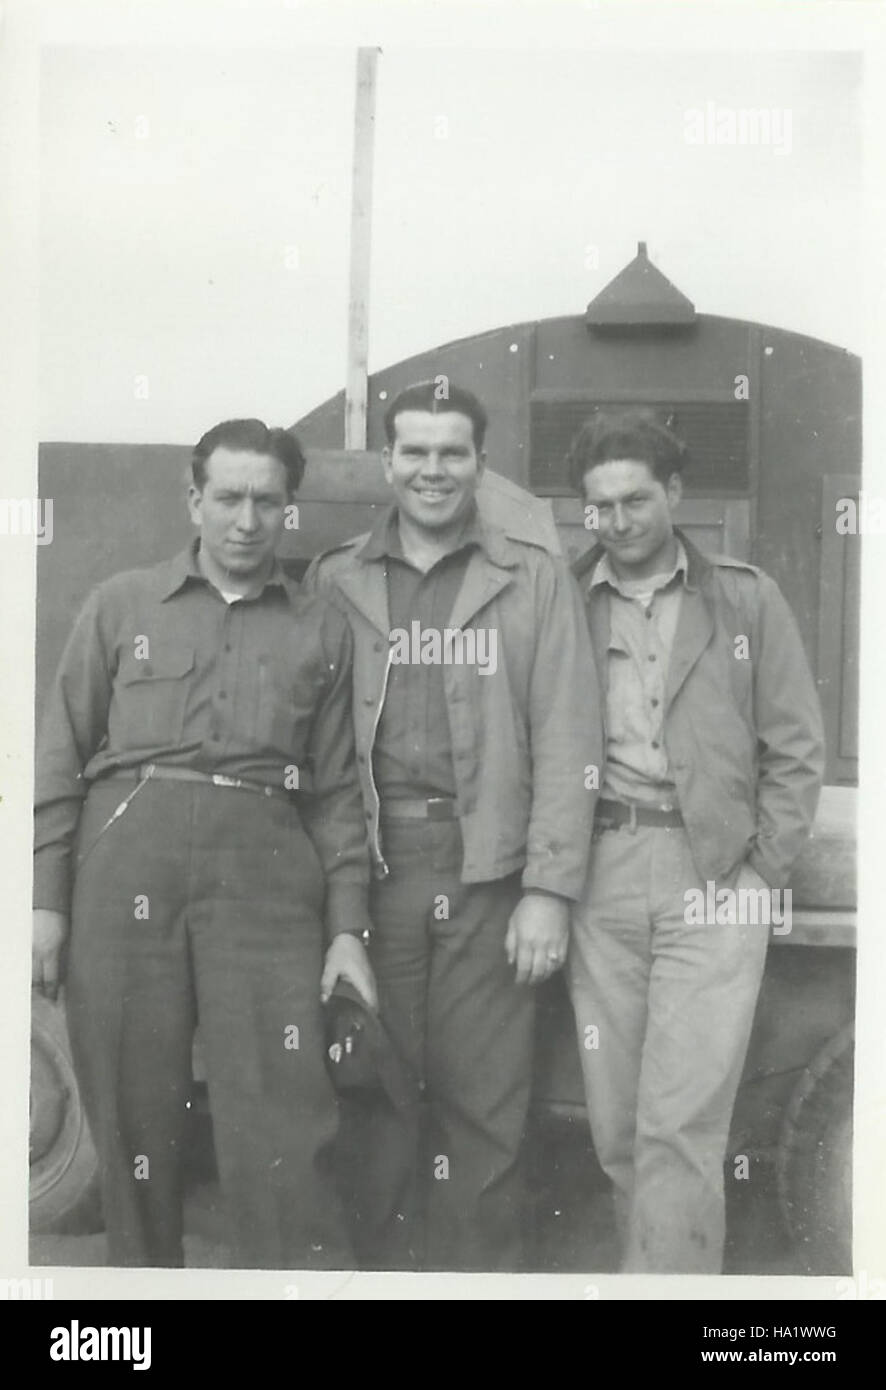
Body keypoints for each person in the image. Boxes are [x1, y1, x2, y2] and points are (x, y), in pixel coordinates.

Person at [32, 418, 375, 1268]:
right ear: (195, 500)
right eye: (228, 497)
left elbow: (336, 791)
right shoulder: (121, 605)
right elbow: (59, 759)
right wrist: (44, 905)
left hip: (263, 868)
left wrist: (345, 929)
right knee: (132, 1109)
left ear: (289, 510)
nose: (247, 519)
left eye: (267, 501)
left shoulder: (320, 627)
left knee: (280, 1114)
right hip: (125, 860)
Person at [305, 380, 602, 1271]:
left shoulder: (532, 578)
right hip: (375, 867)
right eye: (416, 452)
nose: (433, 470)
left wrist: (548, 890)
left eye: (453, 452)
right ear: (389, 460)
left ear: (480, 461)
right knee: (378, 1096)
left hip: (487, 872)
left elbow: (567, 735)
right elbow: (317, 750)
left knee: (485, 1107)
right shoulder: (336, 577)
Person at [566, 409, 825, 1273]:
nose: (618, 521)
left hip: (711, 872)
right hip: (598, 873)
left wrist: (759, 874)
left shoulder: (744, 597)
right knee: (616, 1124)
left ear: (674, 493)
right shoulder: (563, 598)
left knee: (680, 1123)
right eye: (599, 507)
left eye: (636, 500)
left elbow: (795, 747)